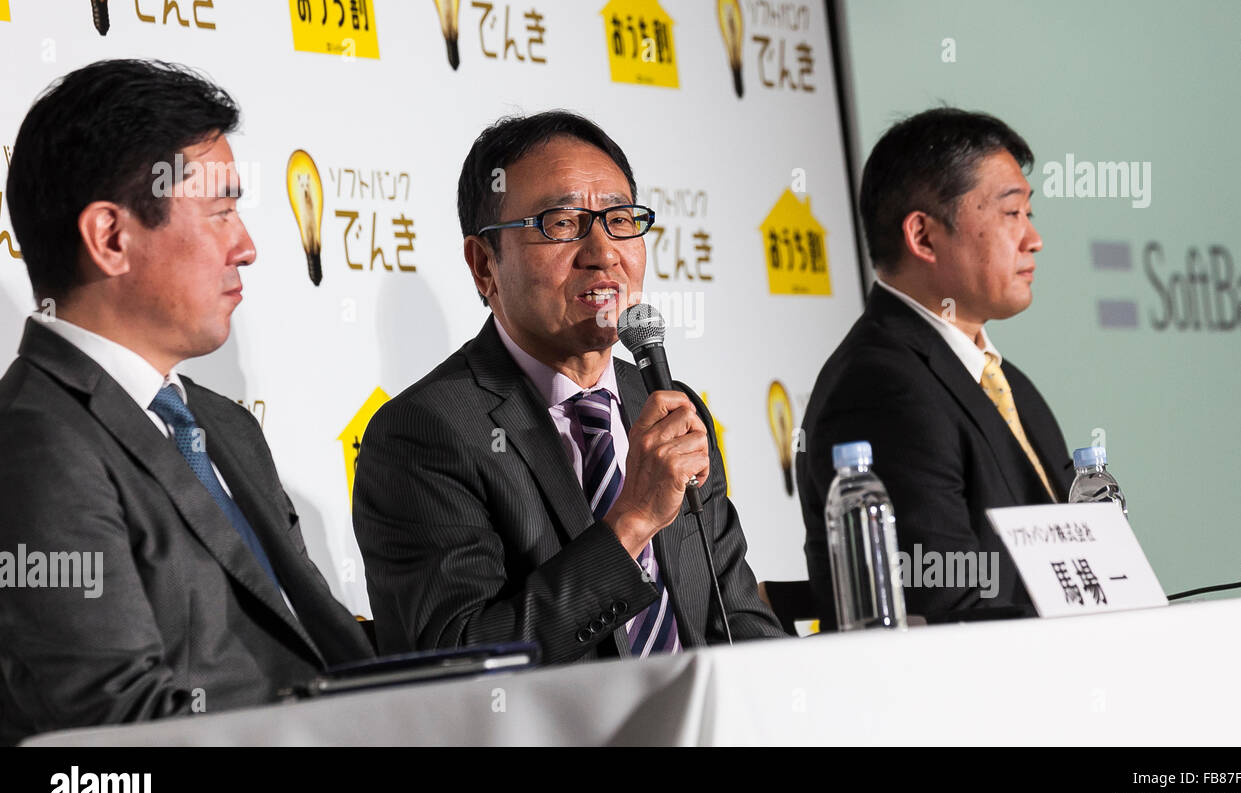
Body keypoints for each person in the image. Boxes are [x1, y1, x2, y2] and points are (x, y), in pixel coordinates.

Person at [0, 59, 373, 744]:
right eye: (221, 211)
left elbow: (312, 644)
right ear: (111, 238)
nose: (249, 246)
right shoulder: (33, 441)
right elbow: (118, 729)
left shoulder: (222, 423)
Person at [354, 110, 784, 664]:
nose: (604, 253)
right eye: (560, 223)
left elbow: (735, 614)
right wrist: (631, 521)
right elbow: (459, 661)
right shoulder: (425, 433)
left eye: (621, 219)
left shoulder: (668, 406)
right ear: (484, 264)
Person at [797, 107, 1072, 624]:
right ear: (923, 236)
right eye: (1012, 214)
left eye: (1029, 215)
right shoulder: (880, 388)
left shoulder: (1009, 385)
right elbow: (946, 614)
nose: (1034, 239)